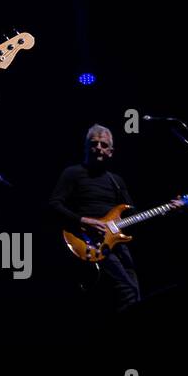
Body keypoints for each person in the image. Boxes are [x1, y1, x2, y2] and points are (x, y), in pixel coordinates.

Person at [48, 124, 141, 312]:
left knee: (136, 292)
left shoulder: (116, 180)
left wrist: (167, 208)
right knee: (127, 291)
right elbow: (54, 205)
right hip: (89, 241)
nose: (99, 147)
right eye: (94, 143)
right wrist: (83, 220)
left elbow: (132, 213)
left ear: (111, 152)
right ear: (86, 147)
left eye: (104, 145)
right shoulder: (72, 173)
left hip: (117, 241)